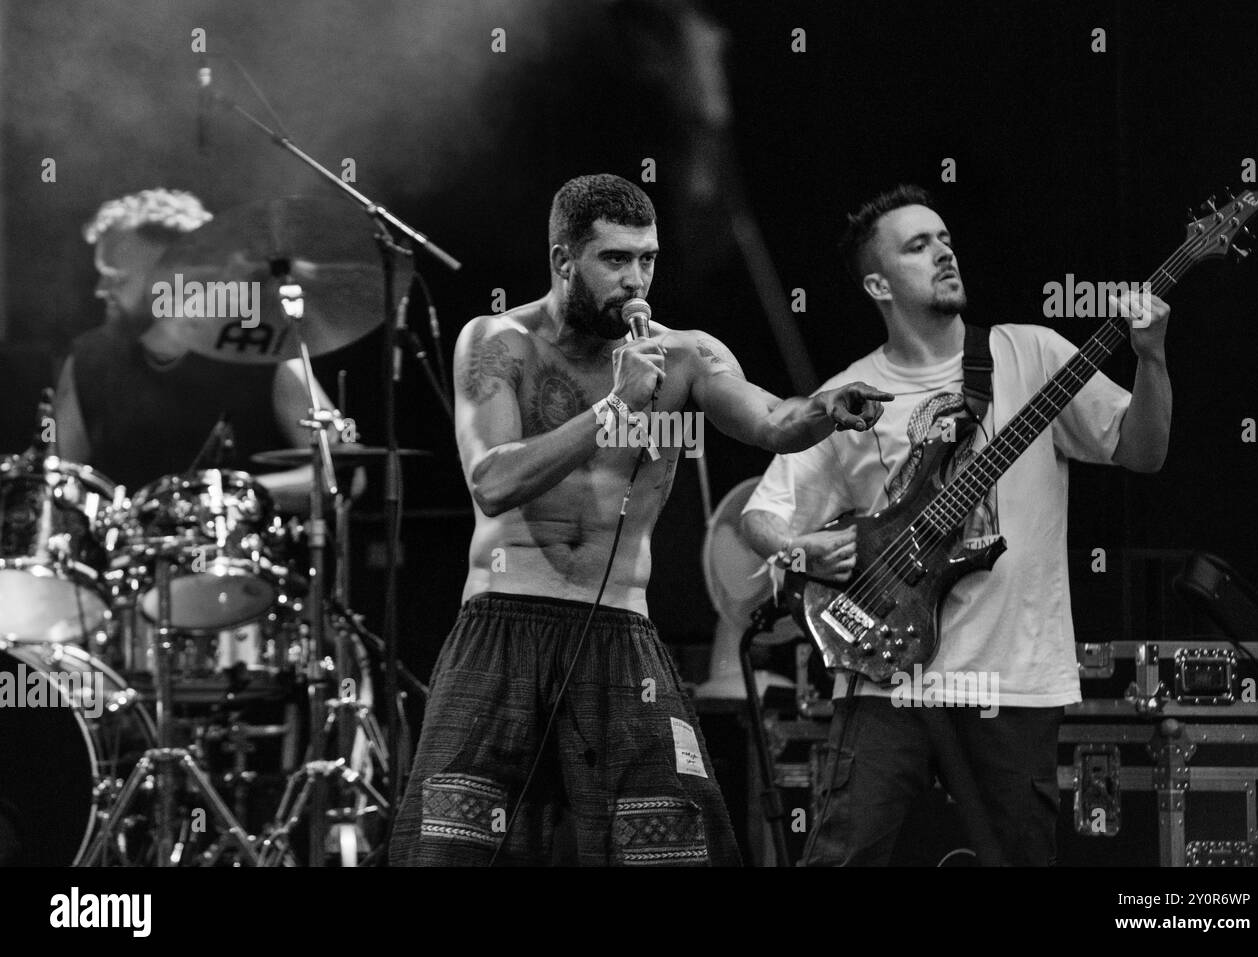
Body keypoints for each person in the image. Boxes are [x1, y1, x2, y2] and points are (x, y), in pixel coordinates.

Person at [388, 173, 890, 866]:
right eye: (615, 260)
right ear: (565, 260)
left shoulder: (687, 356)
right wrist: (614, 407)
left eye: (647, 259)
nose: (636, 280)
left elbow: (772, 419)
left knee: (673, 850)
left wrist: (825, 409)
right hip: (503, 622)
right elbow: (494, 481)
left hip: (621, 633)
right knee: (450, 851)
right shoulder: (498, 342)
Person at [739, 184, 1172, 866]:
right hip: (885, 672)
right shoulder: (849, 392)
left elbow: (1143, 452)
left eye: (944, 239)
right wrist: (799, 550)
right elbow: (758, 517)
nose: (943, 253)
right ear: (878, 282)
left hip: (1012, 676)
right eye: (919, 245)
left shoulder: (1030, 354)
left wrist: (1150, 357)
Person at [52, 188, 336, 509]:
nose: (100, 290)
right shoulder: (90, 359)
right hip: (123, 556)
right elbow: (56, 480)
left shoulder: (260, 350)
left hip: (233, 553)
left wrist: (214, 499)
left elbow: (340, 475)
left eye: (117, 278)